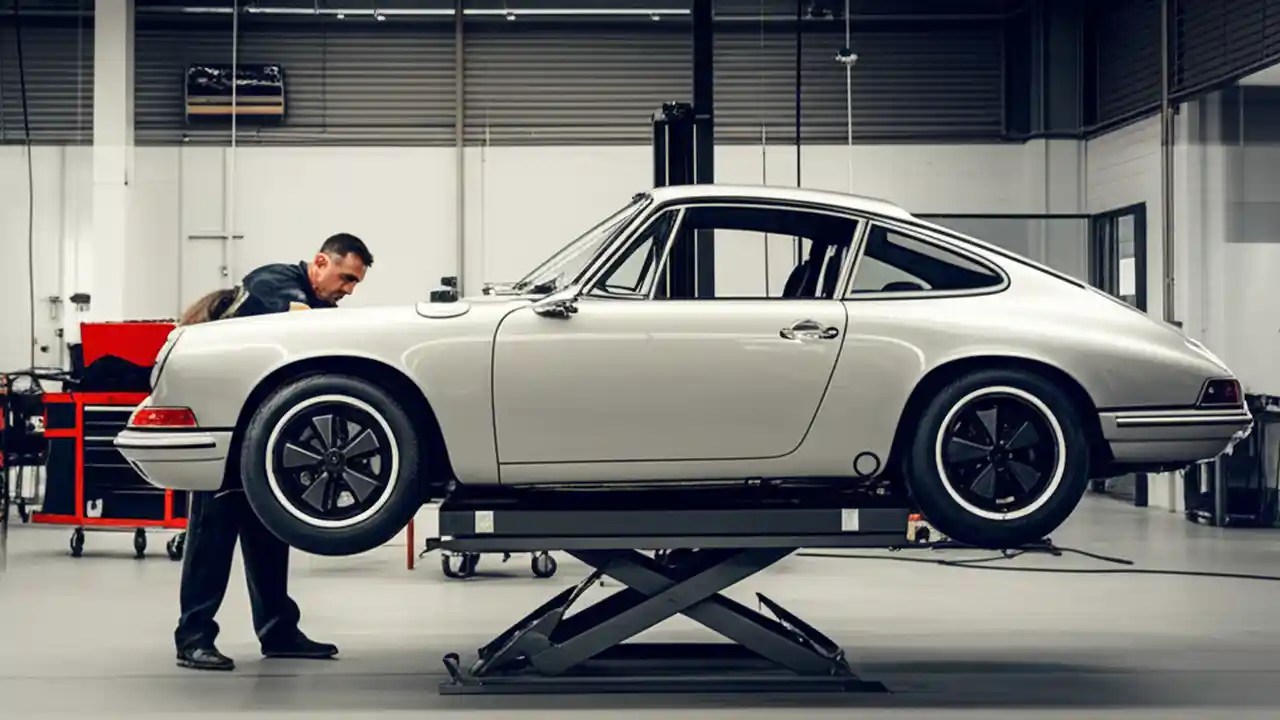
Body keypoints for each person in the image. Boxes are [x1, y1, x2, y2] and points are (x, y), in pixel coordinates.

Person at [174, 233, 374, 671]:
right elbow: (301, 329)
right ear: (320, 261)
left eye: (356, 283)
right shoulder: (275, 284)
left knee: (269, 537)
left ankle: (278, 631)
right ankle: (193, 636)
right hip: (228, 437)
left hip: (262, 446)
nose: (349, 290)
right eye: (345, 278)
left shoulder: (317, 303)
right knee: (212, 540)